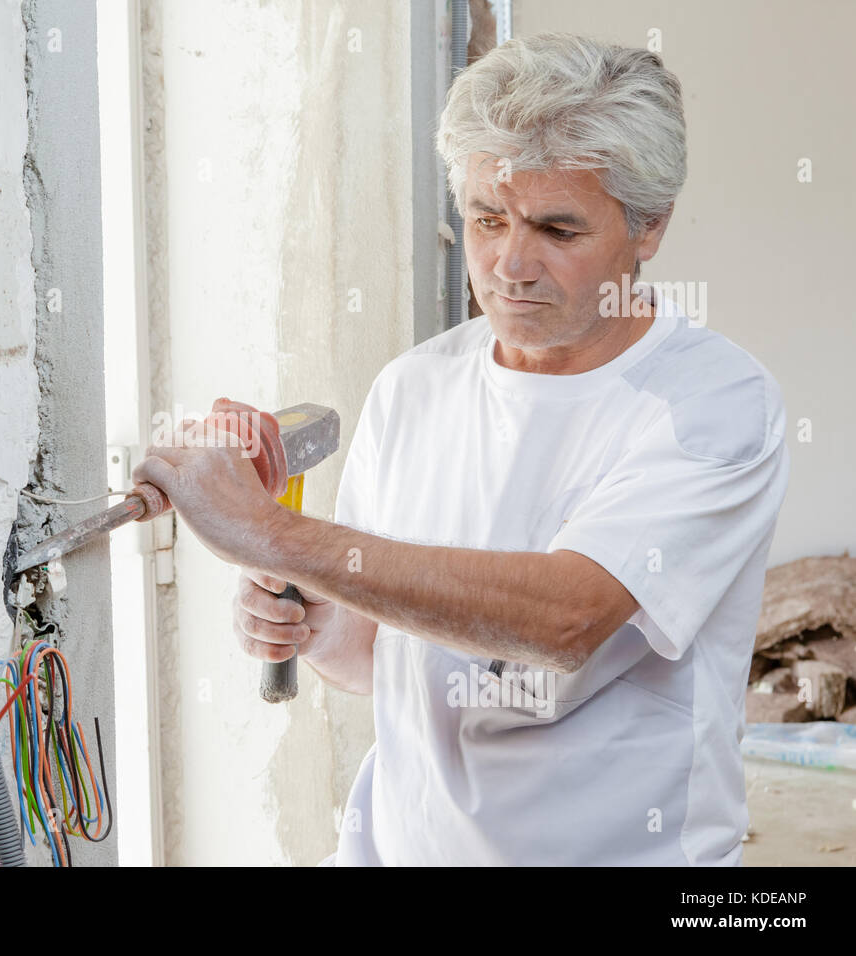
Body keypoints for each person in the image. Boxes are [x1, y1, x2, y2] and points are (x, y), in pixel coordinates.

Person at [132, 32, 790, 865]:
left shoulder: (714, 406)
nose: (510, 263)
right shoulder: (415, 388)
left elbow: (566, 618)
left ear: (650, 226)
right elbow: (384, 661)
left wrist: (271, 534)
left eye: (557, 228)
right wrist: (316, 616)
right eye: (487, 218)